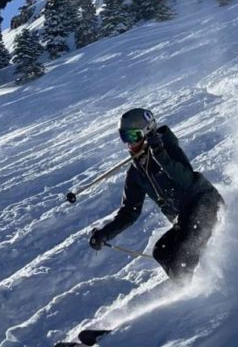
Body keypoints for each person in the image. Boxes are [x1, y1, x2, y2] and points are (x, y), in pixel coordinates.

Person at [89, 108, 223, 281]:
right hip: (183, 218)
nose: (130, 143)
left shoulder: (168, 148)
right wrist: (105, 233)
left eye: (134, 136)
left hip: (204, 204)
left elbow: (187, 180)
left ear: (148, 132)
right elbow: (129, 211)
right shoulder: (136, 172)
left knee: (184, 252)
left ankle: (204, 289)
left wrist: (160, 154)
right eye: (125, 137)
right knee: (162, 251)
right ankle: (187, 287)